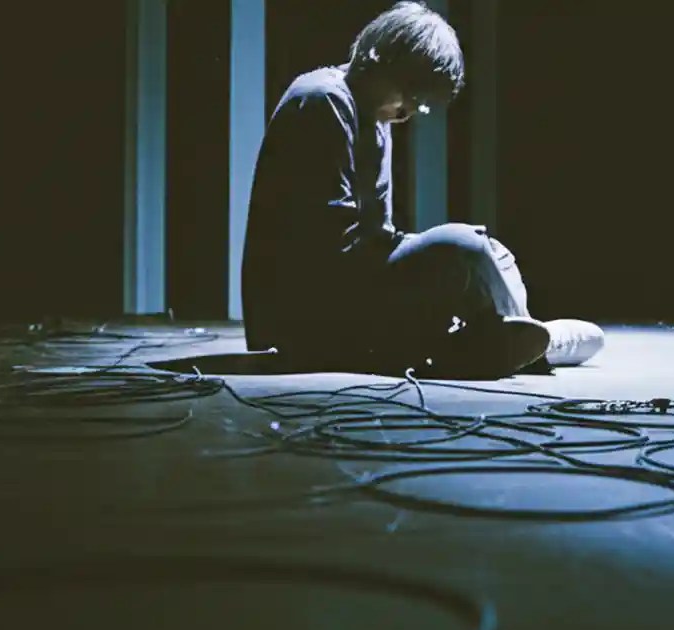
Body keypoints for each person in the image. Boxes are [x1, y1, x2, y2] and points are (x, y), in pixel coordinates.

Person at [241, 1, 603, 378]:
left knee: (493, 253)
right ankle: (516, 343)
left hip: (352, 294)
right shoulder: (323, 100)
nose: (412, 109)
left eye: (421, 102)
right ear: (380, 60)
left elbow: (376, 240)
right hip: (309, 319)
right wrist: (441, 265)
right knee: (467, 248)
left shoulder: (376, 119)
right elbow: (332, 255)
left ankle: (505, 337)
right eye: (411, 92)